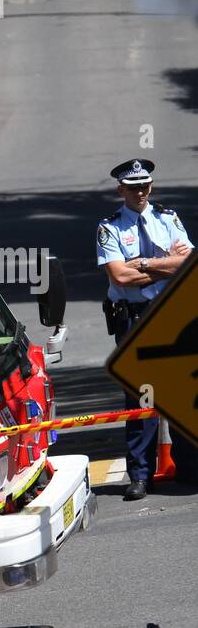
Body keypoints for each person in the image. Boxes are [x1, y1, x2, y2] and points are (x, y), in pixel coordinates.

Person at [96, 158, 192, 500]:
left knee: (180, 388)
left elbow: (188, 264)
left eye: (145, 186)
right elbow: (120, 276)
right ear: (121, 190)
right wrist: (167, 264)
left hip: (170, 313)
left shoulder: (168, 218)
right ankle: (140, 475)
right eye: (133, 187)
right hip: (133, 317)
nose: (141, 192)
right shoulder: (109, 228)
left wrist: (145, 263)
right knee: (142, 395)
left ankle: (190, 466)